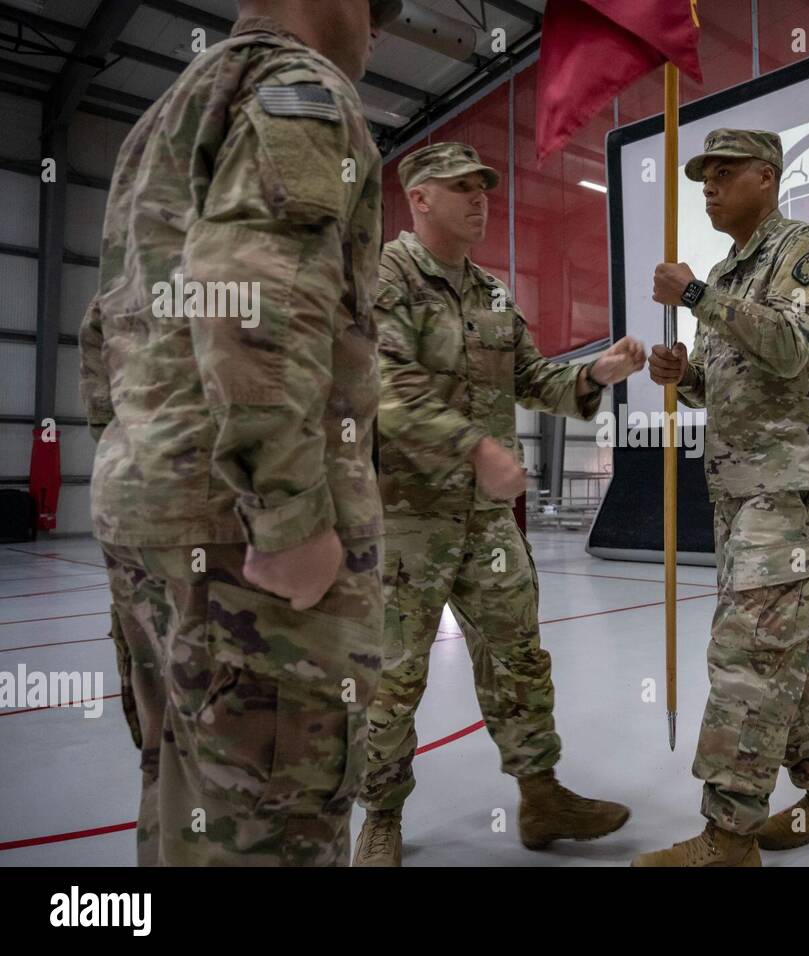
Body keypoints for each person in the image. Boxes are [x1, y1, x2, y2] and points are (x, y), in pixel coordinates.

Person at [77, 0, 403, 865]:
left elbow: (105, 325)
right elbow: (250, 285)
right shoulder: (303, 87)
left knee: (184, 795)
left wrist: (129, 455)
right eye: (375, 9)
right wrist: (289, 509)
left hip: (154, 506)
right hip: (242, 535)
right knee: (273, 824)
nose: (379, 32)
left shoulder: (167, 113)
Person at [352, 142, 646, 866]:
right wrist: (475, 449)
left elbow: (531, 376)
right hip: (406, 517)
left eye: (484, 187)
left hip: (483, 522)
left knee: (518, 657)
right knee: (393, 675)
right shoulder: (386, 277)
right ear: (418, 199)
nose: (480, 199)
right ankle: (381, 817)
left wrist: (594, 374)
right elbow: (387, 387)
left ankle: (541, 797)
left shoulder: (489, 291)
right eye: (461, 188)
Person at [634, 129, 809, 867]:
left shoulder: (807, 248)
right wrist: (681, 375)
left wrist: (696, 295)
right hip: (737, 490)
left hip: (789, 488)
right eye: (703, 176)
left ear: (767, 177)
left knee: (746, 656)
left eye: (724, 173)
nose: (709, 186)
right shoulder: (734, 269)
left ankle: (728, 837)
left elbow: (791, 346)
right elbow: (724, 375)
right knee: (773, 650)